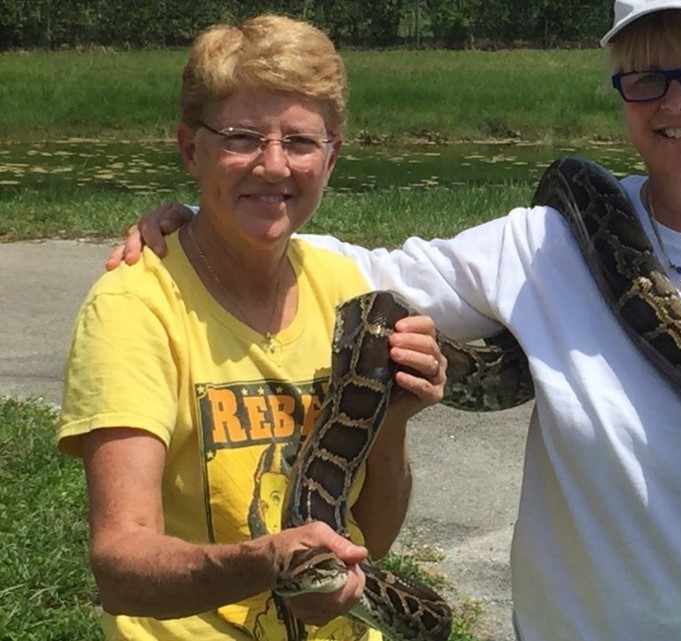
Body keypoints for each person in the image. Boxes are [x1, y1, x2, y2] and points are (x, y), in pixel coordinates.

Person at [110, 1, 681, 639]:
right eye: (646, 80)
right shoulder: (544, 242)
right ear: (621, 96)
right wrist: (205, 221)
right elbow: (352, 274)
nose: (677, 101)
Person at [60, 14, 448, 641]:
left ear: (332, 156)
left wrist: (392, 421)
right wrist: (267, 562)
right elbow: (120, 567)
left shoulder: (350, 296)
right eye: (242, 138)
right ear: (191, 149)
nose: (273, 166)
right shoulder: (135, 306)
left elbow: (370, 539)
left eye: (299, 142)